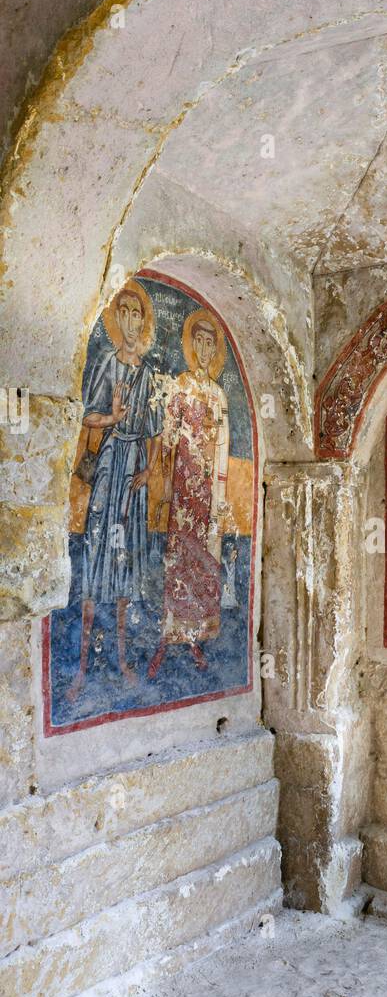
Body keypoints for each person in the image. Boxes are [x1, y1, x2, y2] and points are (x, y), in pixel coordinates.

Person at [67, 280, 162, 701]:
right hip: (108, 467)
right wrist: (113, 417)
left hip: (133, 477)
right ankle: (81, 668)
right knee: (95, 559)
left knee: (123, 567)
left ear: (143, 322)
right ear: (115, 319)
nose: (129, 320)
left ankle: (123, 661)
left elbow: (156, 430)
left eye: (136, 313)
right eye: (122, 311)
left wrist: (150, 470)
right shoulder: (106, 363)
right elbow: (86, 417)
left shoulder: (150, 375)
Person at [148, 307, 232, 678]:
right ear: (189, 345)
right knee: (177, 560)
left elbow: (224, 446)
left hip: (208, 496)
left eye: (209, 342)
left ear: (215, 350)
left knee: (203, 564)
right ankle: (171, 634)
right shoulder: (179, 386)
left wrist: (222, 497)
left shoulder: (218, 395)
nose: (202, 347)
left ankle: (196, 635)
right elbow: (167, 443)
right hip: (183, 493)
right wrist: (165, 490)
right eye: (197, 340)